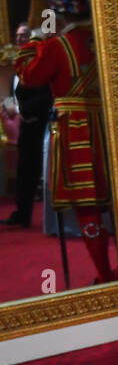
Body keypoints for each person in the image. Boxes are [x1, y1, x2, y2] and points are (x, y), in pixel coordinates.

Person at [12, 0, 116, 282]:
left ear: (58, 16)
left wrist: (34, 39)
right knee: (114, 201)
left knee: (87, 205)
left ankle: (104, 272)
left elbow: (28, 73)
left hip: (77, 131)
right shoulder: (102, 40)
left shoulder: (58, 45)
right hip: (107, 128)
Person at [2, 24, 52, 229]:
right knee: (25, 171)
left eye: (25, 36)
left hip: (44, 127)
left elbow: (45, 99)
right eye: (18, 36)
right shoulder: (22, 69)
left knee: (41, 171)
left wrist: (18, 108)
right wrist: (10, 105)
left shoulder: (45, 69)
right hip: (27, 127)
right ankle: (22, 213)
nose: (21, 40)